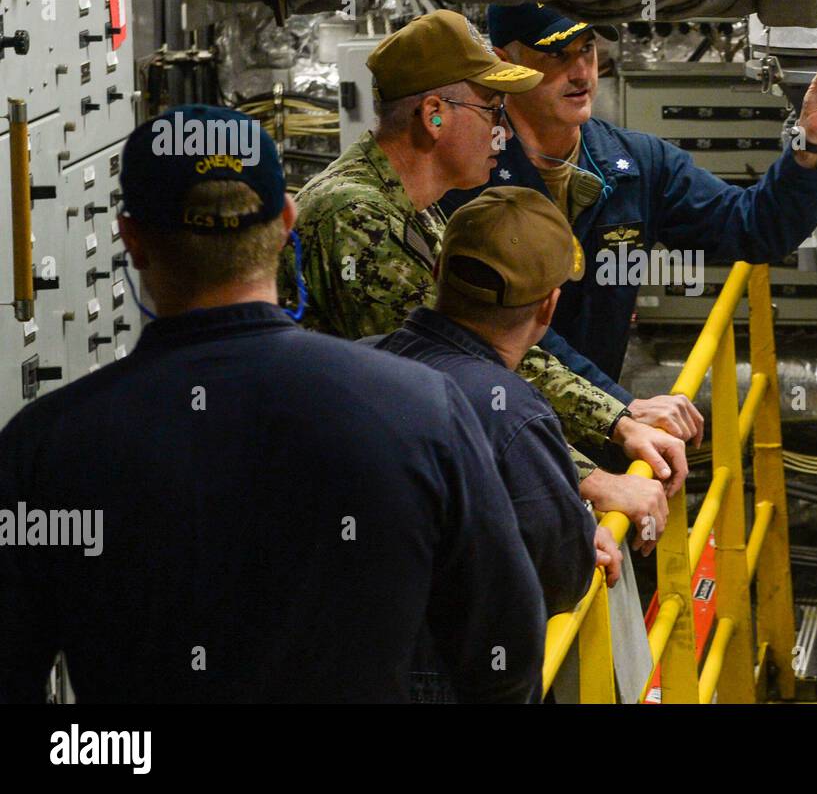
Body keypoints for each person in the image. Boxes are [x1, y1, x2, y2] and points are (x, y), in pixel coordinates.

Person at [0, 106, 545, 703]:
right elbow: (504, 656)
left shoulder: (46, 446)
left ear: (131, 239)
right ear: (287, 221)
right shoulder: (420, 407)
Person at [283, 9, 690, 504]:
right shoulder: (356, 216)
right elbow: (443, 382)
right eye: (493, 110)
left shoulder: (408, 204)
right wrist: (593, 480)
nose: (504, 131)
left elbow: (489, 343)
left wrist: (617, 422)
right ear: (435, 115)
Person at [440, 3, 817, 386]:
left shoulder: (636, 164)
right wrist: (619, 410)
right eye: (556, 55)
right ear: (504, 62)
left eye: (587, 50)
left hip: (600, 424)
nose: (582, 73)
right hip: (492, 419)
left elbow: (755, 227)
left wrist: (809, 138)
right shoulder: (469, 171)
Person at [377, 187, 661, 615]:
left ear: (437, 270)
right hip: (438, 670)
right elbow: (561, 575)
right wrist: (582, 534)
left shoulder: (359, 360)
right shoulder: (512, 415)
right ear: (548, 308)